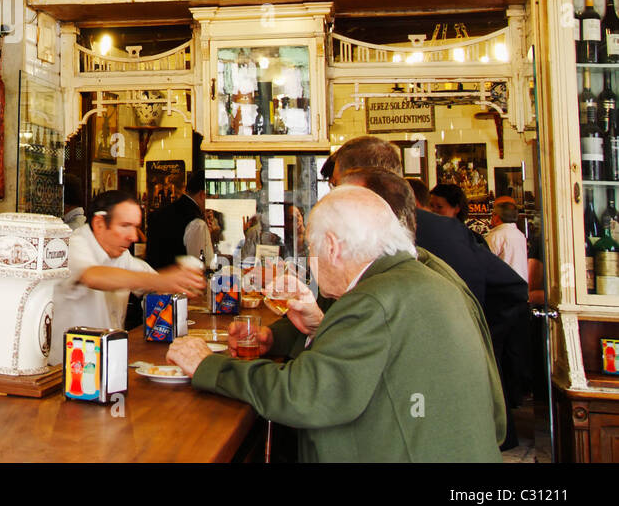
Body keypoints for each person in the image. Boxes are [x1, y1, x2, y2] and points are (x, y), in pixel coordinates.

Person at [167, 186, 505, 462]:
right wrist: (320, 328)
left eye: (312, 248)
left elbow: (304, 396)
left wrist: (208, 365)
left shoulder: (374, 299)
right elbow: (497, 416)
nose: (311, 262)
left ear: (331, 247)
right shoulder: (430, 278)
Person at [325, 135, 528, 449]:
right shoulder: (450, 230)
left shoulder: (370, 240)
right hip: (453, 412)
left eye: (336, 184)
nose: (333, 195)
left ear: (362, 182)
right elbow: (512, 288)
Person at [51, 189, 204, 352]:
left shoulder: (120, 254)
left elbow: (149, 280)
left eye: (135, 227)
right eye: (125, 226)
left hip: (108, 359)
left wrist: (182, 282)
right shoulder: (73, 245)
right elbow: (92, 276)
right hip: (66, 368)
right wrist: (162, 280)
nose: (134, 236)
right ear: (99, 224)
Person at [145, 169, 207, 269]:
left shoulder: (160, 212)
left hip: (154, 279)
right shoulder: (197, 222)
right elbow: (198, 264)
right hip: (179, 281)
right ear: (203, 195)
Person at [486, 196, 528, 282]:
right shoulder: (520, 235)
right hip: (521, 286)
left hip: (503, 288)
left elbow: (485, 264)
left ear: (496, 217)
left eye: (493, 214)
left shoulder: (495, 237)